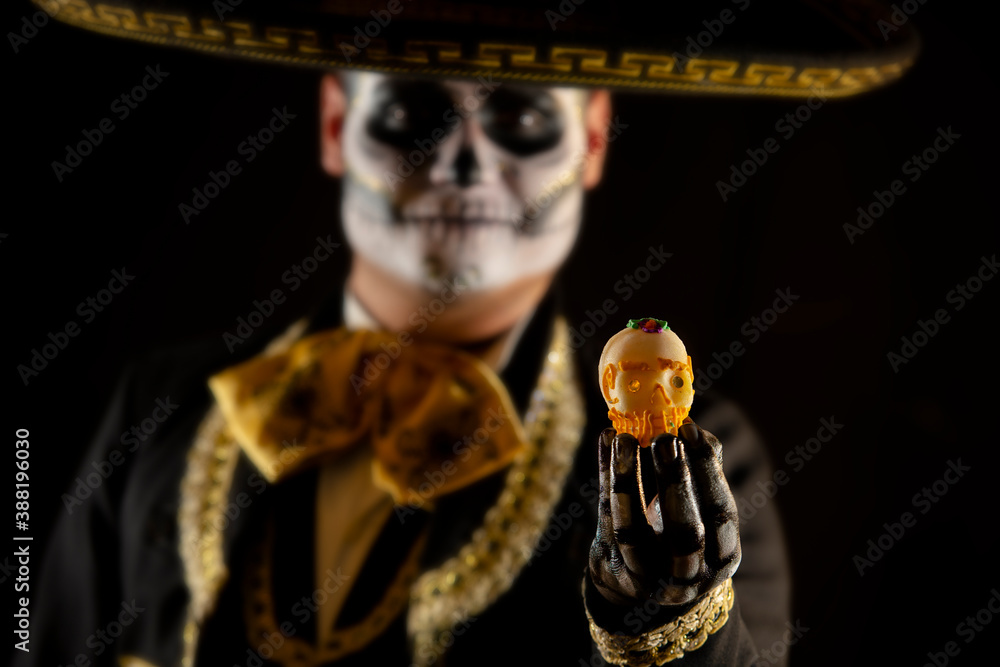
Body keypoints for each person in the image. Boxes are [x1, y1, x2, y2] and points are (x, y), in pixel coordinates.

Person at [19, 2, 919, 666]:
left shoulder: (688, 460)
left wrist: (661, 630)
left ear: (592, 141)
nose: (462, 159)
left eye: (523, 119)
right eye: (412, 113)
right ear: (336, 125)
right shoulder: (161, 407)